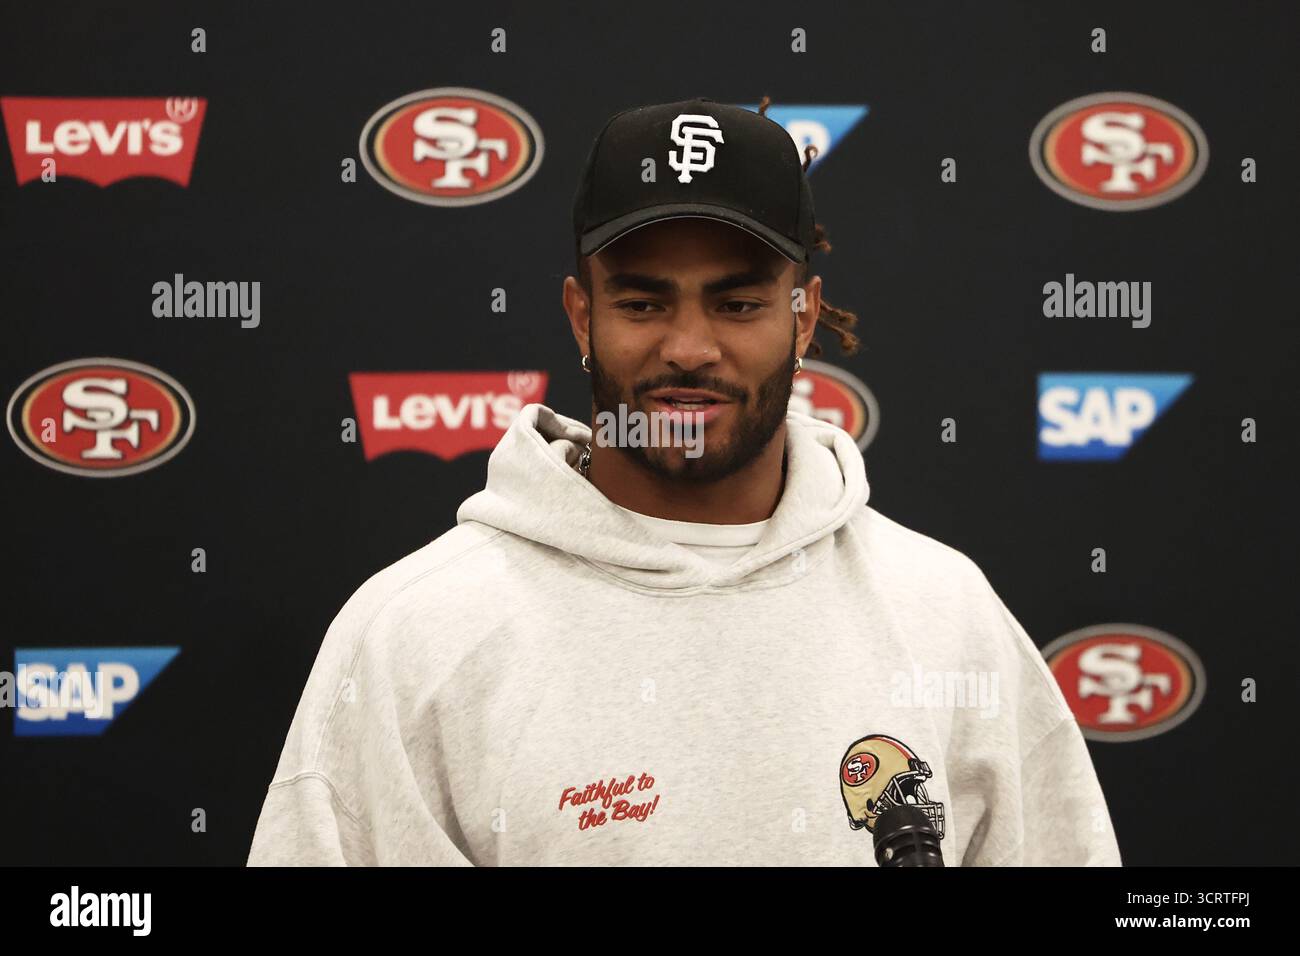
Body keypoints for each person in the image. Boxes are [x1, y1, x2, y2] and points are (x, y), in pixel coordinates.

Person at [247, 97, 1121, 866]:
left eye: (738, 303)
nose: (689, 348)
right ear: (581, 316)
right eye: (642, 302)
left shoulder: (944, 613)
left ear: (804, 316)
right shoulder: (415, 636)